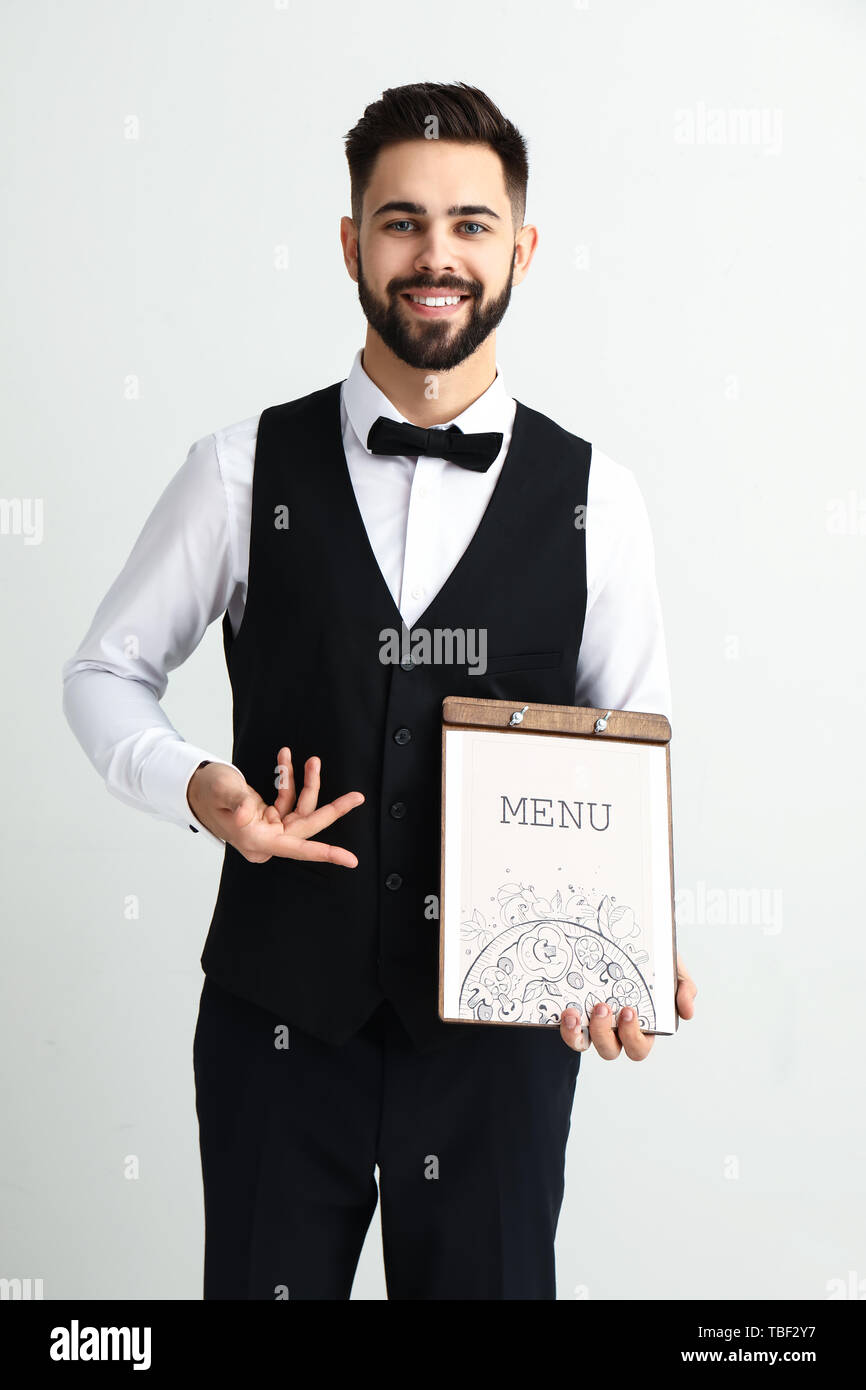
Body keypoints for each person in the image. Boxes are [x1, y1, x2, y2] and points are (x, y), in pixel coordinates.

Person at [62, 80, 697, 1300]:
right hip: (275, 1026)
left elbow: (628, 758)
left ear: (517, 248)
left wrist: (632, 942)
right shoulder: (241, 470)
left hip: (499, 1050)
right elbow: (104, 671)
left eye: (468, 223)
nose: (434, 253)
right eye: (401, 221)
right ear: (353, 245)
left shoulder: (598, 499)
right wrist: (200, 788)